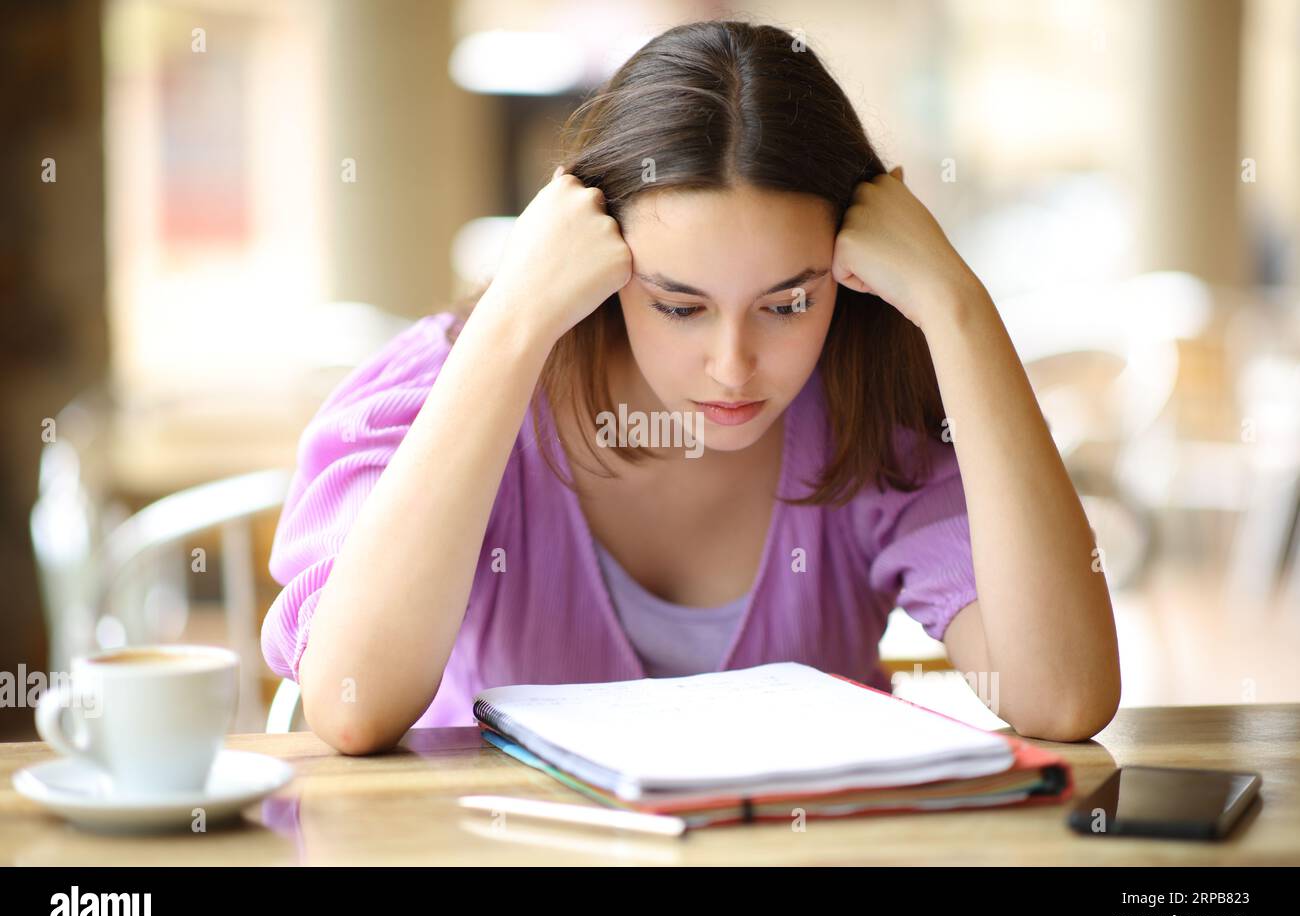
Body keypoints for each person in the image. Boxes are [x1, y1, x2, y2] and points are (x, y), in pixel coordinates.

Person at [261, 20, 1120, 755]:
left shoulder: (873, 415)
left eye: (789, 301)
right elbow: (347, 702)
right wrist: (514, 321)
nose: (735, 365)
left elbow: (1062, 697)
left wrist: (957, 307)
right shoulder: (442, 386)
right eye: (679, 306)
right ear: (595, 266)